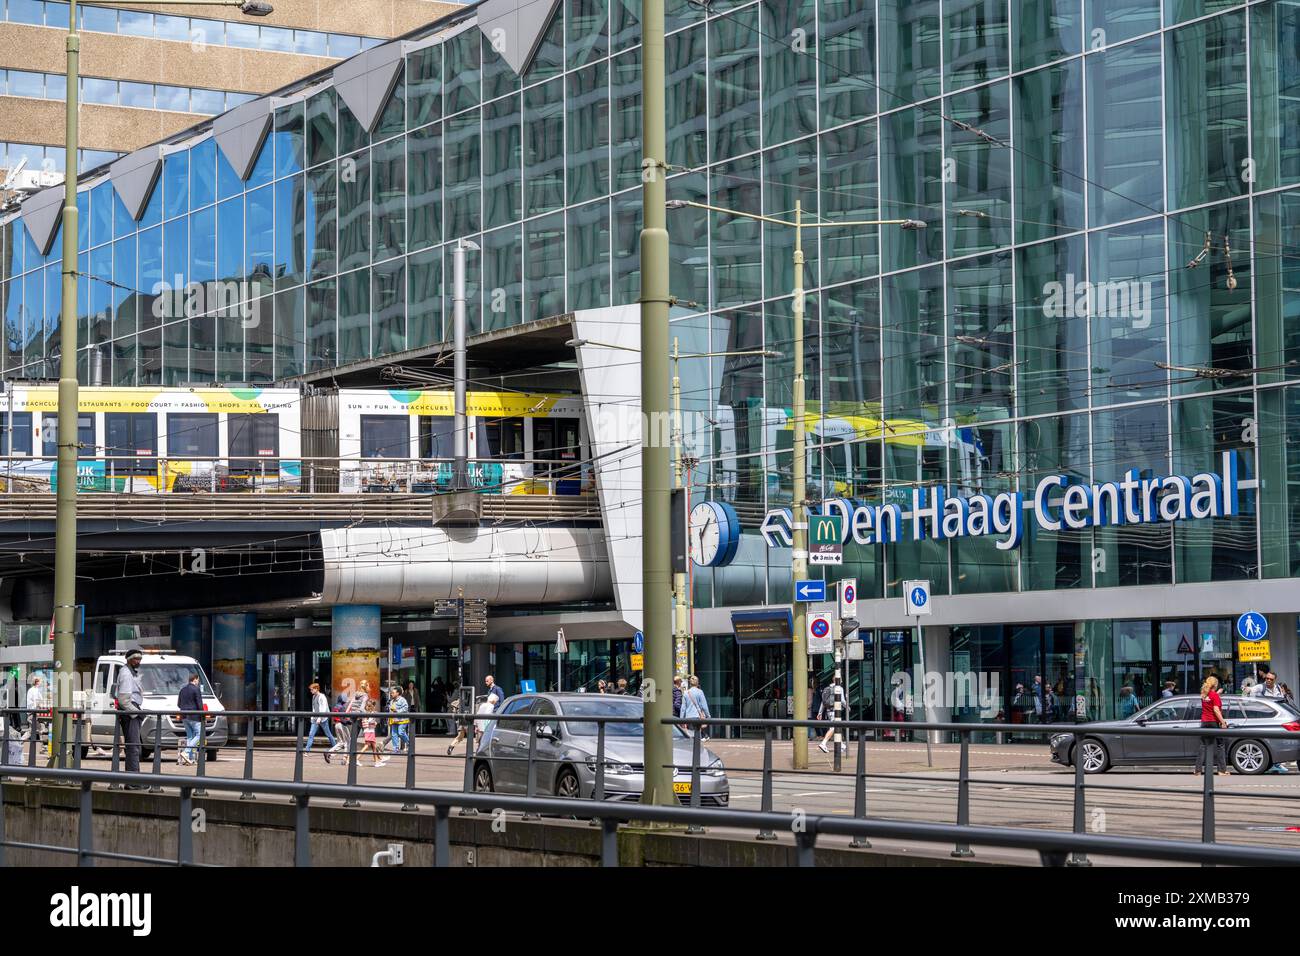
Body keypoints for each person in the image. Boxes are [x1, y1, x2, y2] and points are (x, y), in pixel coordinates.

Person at [114, 649, 147, 787]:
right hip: (130, 712)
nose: (138, 661)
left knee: (133, 746)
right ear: (128, 659)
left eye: (139, 658)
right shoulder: (127, 674)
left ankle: (133, 780)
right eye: (135, 658)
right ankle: (133, 781)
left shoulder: (128, 672)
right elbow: (124, 700)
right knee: (133, 746)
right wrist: (137, 713)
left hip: (130, 711)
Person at [1193, 675, 1230, 776]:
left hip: (1204, 722)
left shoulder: (1204, 694)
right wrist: (1223, 722)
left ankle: (1198, 770)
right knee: (1220, 745)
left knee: (1203, 746)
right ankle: (1222, 770)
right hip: (1214, 722)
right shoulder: (1215, 696)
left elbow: (1210, 697)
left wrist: (1217, 693)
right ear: (1215, 685)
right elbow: (1216, 710)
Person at [176, 672, 203, 766]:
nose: (198, 682)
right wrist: (202, 715)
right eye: (198, 680)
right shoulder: (196, 689)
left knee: (190, 737)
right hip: (194, 716)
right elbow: (200, 705)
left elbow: (178, 704)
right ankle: (186, 752)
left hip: (184, 716)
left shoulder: (182, 690)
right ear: (195, 679)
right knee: (199, 735)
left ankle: (189, 758)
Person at [304, 682, 336, 760]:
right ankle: (307, 751)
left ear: (316, 689)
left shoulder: (322, 696)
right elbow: (314, 708)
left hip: (323, 718)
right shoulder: (314, 696)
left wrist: (319, 718)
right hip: (315, 718)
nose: (311, 691)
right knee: (311, 734)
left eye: (312, 689)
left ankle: (335, 749)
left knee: (328, 734)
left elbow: (323, 707)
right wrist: (313, 717)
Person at [817, 676, 847, 754]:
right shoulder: (839, 688)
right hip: (835, 711)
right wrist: (848, 707)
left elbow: (823, 702)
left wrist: (820, 713)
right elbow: (843, 701)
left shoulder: (827, 688)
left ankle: (841, 745)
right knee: (834, 727)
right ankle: (823, 743)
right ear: (839, 681)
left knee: (836, 727)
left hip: (828, 711)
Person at [358, 700, 388, 768]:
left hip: (369, 731)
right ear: (372, 707)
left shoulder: (366, 713)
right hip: (370, 731)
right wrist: (375, 723)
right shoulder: (370, 713)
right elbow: (369, 723)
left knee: (374, 747)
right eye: (369, 706)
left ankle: (377, 761)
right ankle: (357, 758)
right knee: (367, 746)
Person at [387, 685, 411, 753]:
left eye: (393, 692)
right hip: (394, 720)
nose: (391, 694)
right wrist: (389, 719)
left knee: (401, 732)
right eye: (391, 693)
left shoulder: (402, 700)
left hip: (402, 719)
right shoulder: (391, 701)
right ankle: (396, 749)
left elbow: (406, 708)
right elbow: (390, 711)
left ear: (398, 693)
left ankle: (409, 743)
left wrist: (397, 711)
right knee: (394, 734)